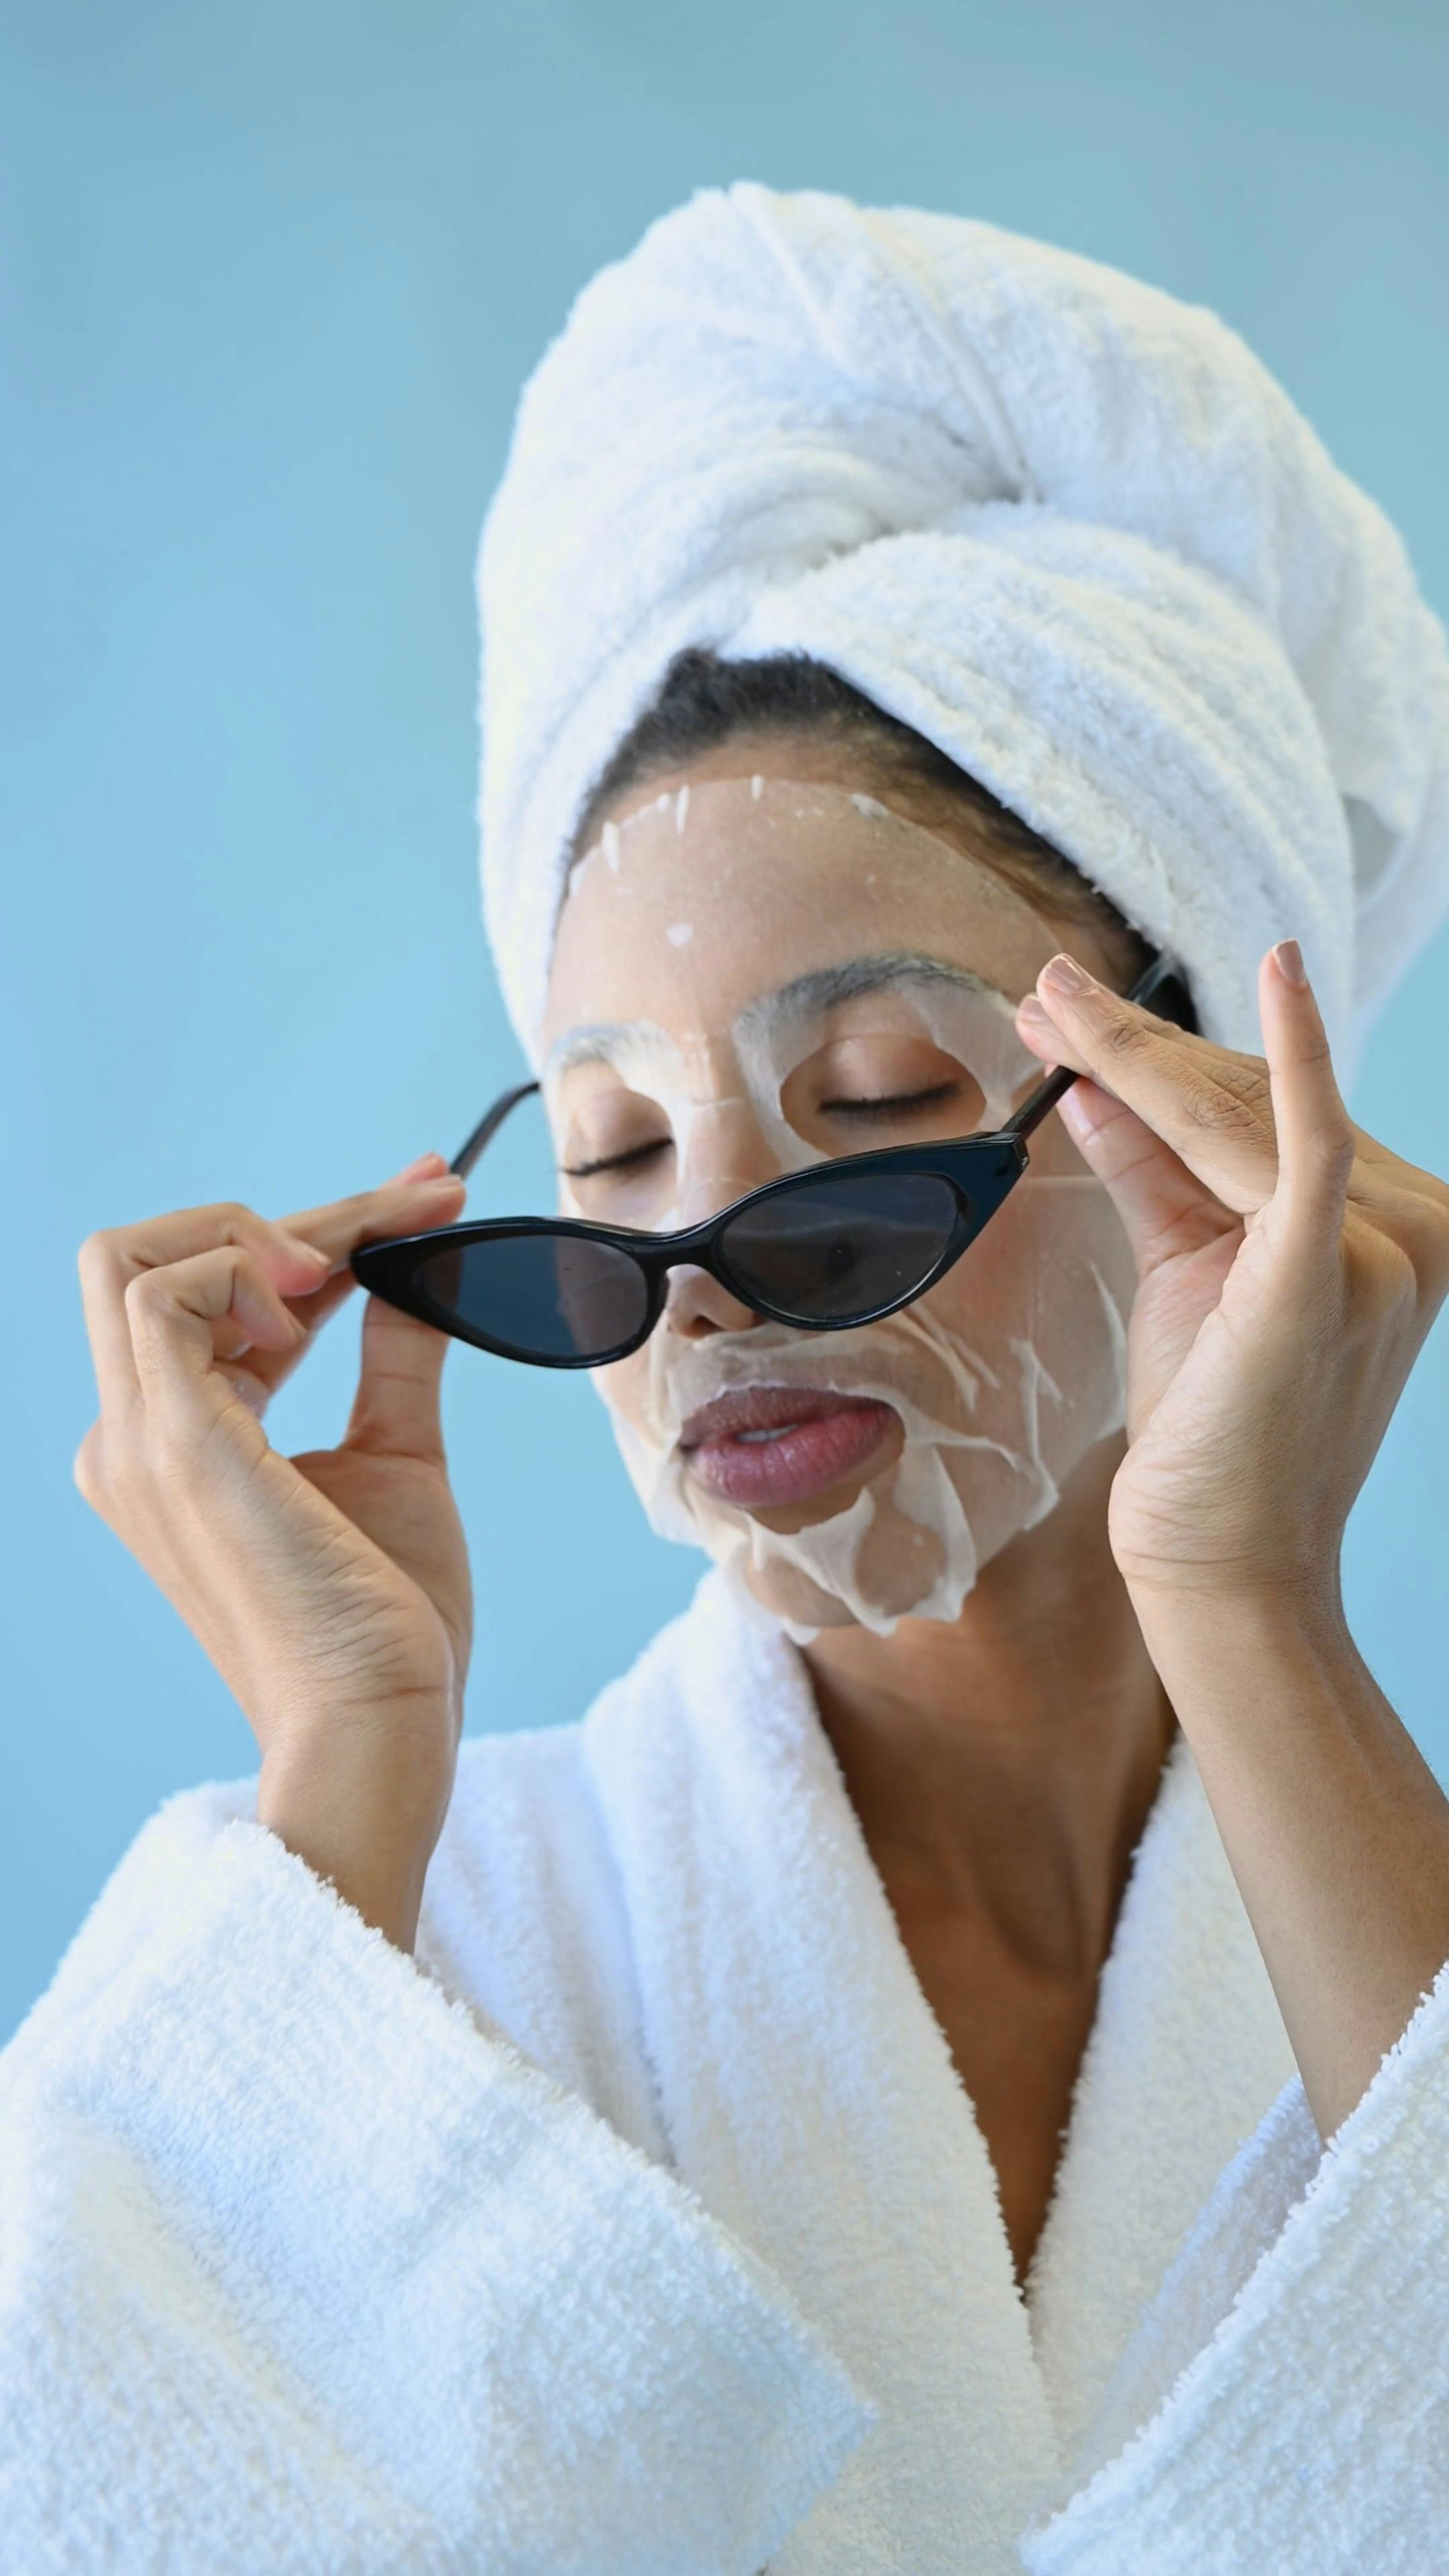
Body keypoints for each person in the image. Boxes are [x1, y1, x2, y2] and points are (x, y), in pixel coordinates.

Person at [5, 184, 1449, 2576]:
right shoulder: (388, 1959)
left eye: (876, 1102)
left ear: (1200, 1125)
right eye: (610, 1153)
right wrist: (341, 1767)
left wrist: (1255, 1608)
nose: (700, 1287)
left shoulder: (1390, 1923)